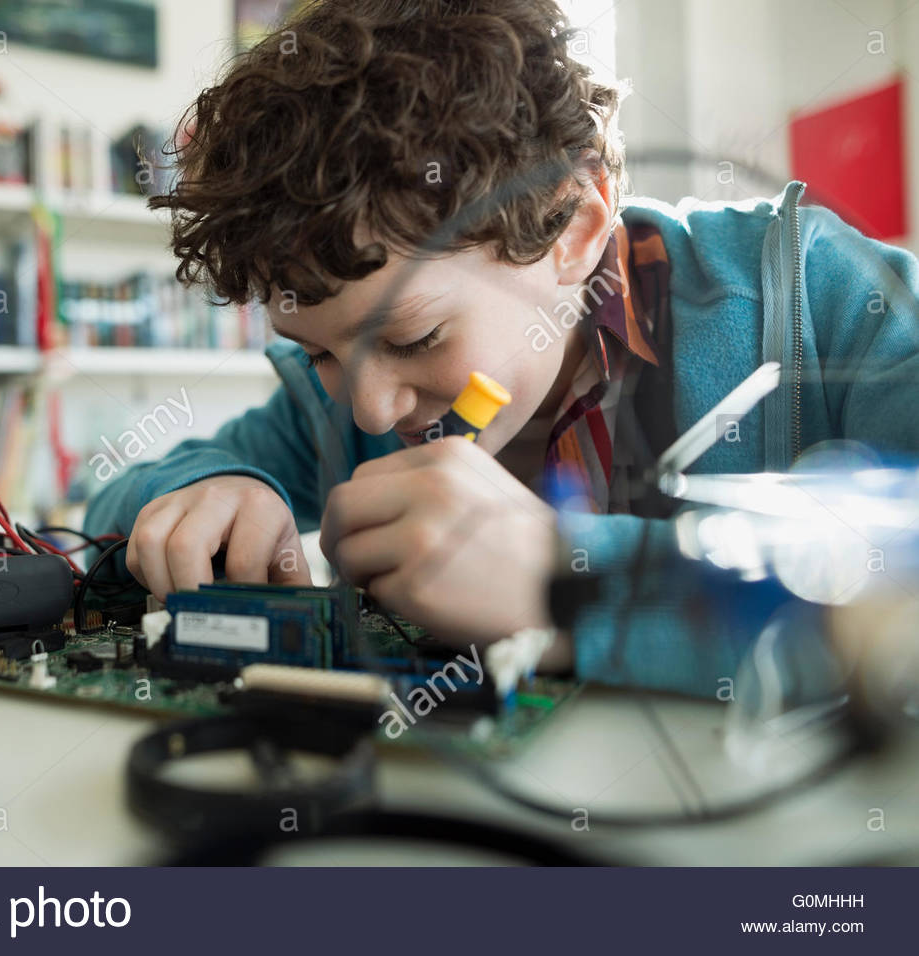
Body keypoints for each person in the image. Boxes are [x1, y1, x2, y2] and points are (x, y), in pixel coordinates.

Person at [84, 0, 919, 697]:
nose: (370, 406)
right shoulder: (341, 406)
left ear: (573, 229)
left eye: (414, 337)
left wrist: (573, 591)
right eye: (323, 353)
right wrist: (213, 489)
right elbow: (119, 504)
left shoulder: (823, 297)